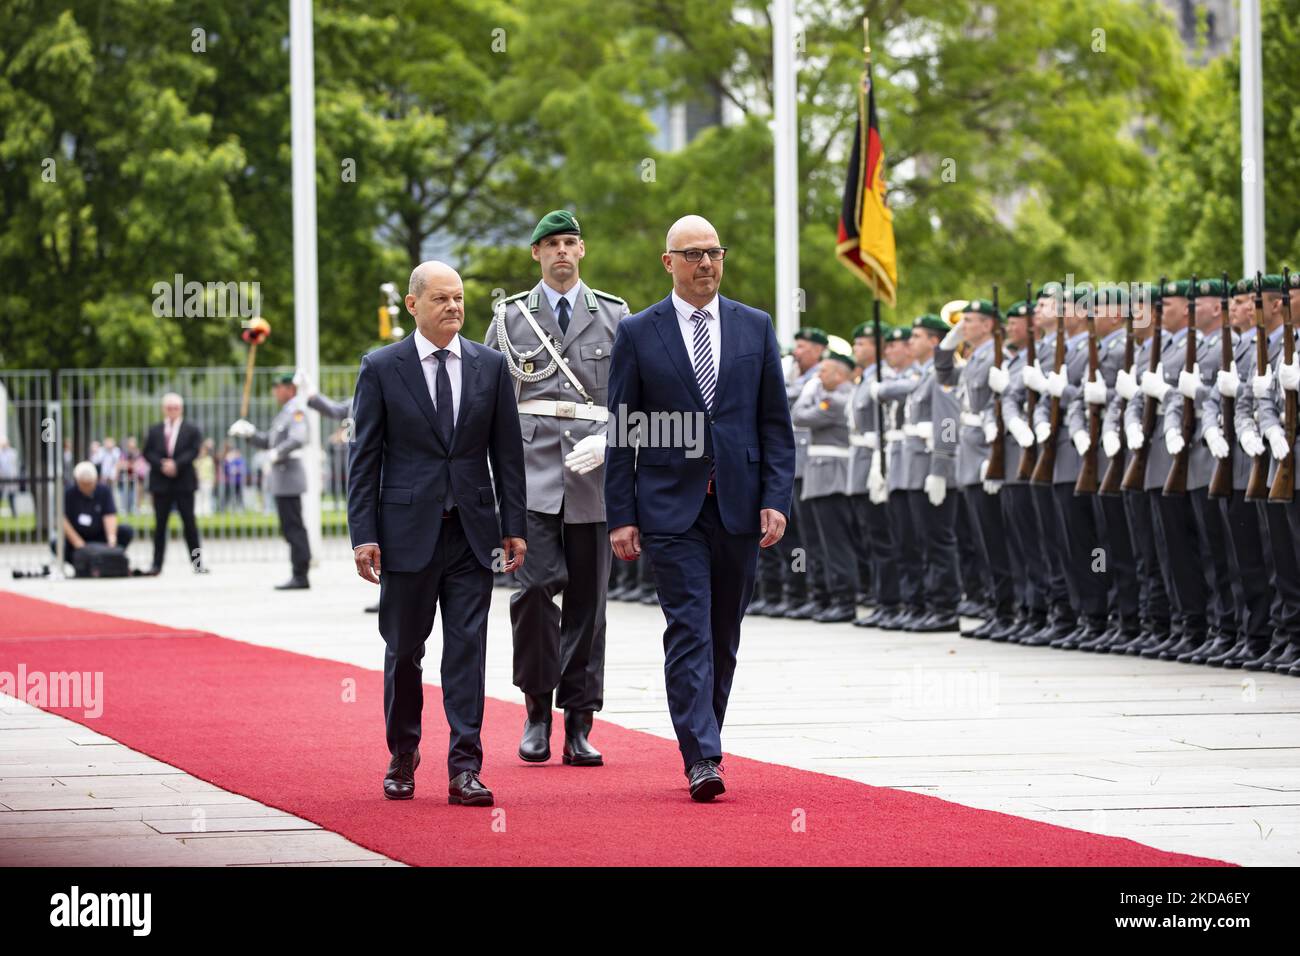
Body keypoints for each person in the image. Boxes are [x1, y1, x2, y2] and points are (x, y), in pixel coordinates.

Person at [605, 215, 795, 801]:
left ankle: (703, 731)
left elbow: (774, 423)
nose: (706, 264)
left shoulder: (754, 326)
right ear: (669, 263)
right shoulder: (639, 332)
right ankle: (702, 755)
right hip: (669, 510)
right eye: (693, 255)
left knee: (723, 633)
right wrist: (621, 514)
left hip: (738, 506)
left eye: (714, 253)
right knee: (688, 628)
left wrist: (775, 498)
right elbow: (621, 430)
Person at [348, 260, 527, 806]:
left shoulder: (490, 366)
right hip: (405, 535)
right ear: (413, 305)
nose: (453, 307)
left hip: (472, 535)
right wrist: (364, 533)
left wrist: (513, 525)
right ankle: (403, 754)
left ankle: (465, 768)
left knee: (467, 650)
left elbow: (507, 453)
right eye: (441, 299)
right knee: (404, 650)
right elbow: (365, 458)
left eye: (459, 299)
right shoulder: (381, 367)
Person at [485, 209, 629, 766]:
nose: (562, 252)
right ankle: (536, 712)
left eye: (571, 242)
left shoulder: (616, 316)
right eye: (552, 244)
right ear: (537, 255)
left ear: (583, 250)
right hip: (531, 476)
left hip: (593, 477)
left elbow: (636, 398)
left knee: (590, 606)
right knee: (534, 594)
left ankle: (579, 723)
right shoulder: (508, 319)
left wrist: (615, 438)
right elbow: (488, 400)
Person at [229, 374, 312, 589]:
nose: (275, 392)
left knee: (294, 527)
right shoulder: (285, 413)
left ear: (289, 389)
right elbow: (268, 441)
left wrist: (277, 452)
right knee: (289, 527)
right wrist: (250, 433)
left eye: (278, 387)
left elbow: (298, 438)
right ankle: (298, 572)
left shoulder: (296, 411)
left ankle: (300, 574)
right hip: (282, 479)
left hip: (289, 476)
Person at [142, 393, 206, 574]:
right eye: (169, 408)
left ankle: (198, 564)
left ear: (181, 409)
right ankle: (156, 564)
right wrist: (162, 464)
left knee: (190, 524)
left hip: (183, 482)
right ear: (164, 409)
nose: (172, 411)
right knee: (160, 525)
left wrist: (176, 464)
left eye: (175, 408)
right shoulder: (154, 430)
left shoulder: (191, 429)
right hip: (161, 484)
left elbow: (194, 450)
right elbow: (147, 452)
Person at [58, 461, 133, 565]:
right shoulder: (69, 493)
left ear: (96, 480)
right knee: (56, 543)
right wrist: (78, 544)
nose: (87, 487)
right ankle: (81, 565)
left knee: (126, 531)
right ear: (77, 481)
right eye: (83, 484)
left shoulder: (104, 491)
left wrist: (111, 539)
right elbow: (62, 520)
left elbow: (110, 515)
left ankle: (108, 561)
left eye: (89, 484)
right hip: (77, 537)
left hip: (100, 535)